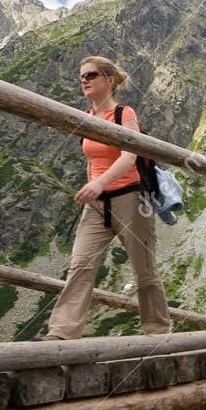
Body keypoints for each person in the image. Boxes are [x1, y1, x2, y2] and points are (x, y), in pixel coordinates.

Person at [41, 55, 172, 339]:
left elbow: (130, 154)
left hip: (130, 198)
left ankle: (157, 332)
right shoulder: (87, 118)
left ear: (108, 80)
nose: (83, 80)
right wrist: (93, 185)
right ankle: (62, 333)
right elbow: (91, 159)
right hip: (97, 205)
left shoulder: (124, 113)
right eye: (81, 77)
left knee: (144, 270)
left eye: (90, 75)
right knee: (80, 265)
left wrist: (99, 183)